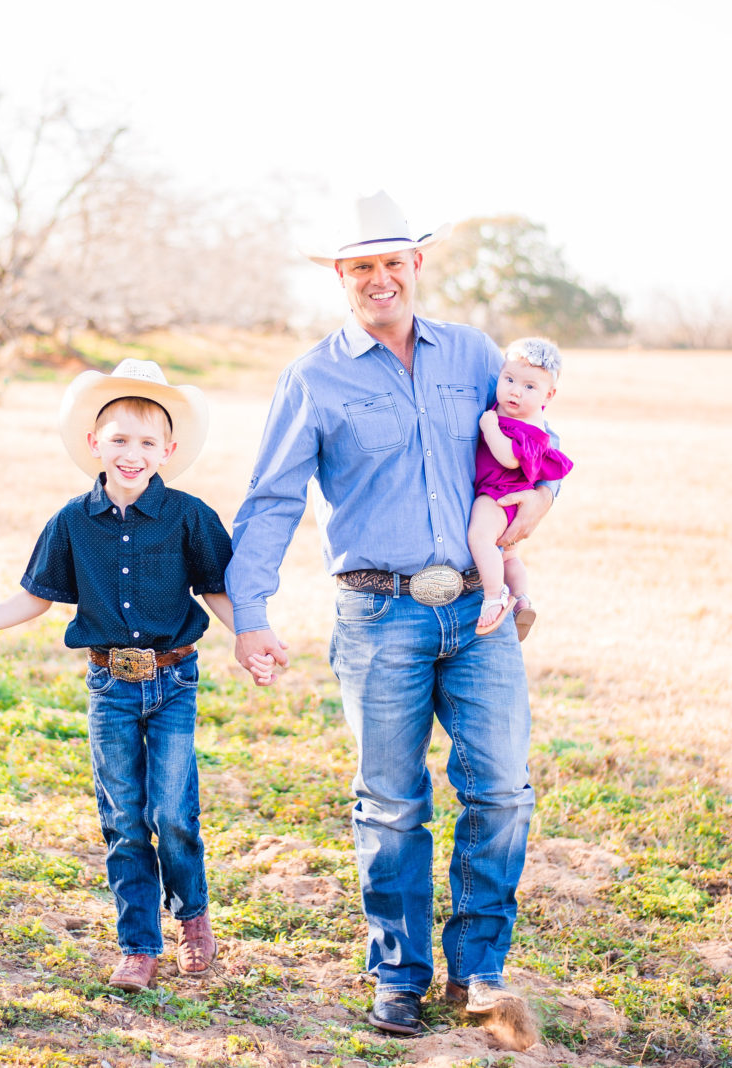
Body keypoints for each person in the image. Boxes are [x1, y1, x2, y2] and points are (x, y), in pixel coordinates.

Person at [226, 191, 558, 1047]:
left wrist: (525, 533)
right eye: (361, 267)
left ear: (417, 266)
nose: (380, 279)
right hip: (378, 613)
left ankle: (478, 969)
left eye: (392, 263)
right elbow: (270, 500)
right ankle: (400, 975)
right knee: (391, 802)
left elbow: (524, 447)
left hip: (476, 613)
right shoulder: (315, 377)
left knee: (504, 790)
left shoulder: (477, 355)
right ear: (340, 278)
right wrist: (249, 613)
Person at [0, 359, 270, 992]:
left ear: (169, 451)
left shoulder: (189, 516)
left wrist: (253, 638)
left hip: (173, 683)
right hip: (110, 687)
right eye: (119, 439)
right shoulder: (72, 521)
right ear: (95, 444)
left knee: (173, 811)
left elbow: (217, 591)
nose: (132, 453)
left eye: (148, 442)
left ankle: (193, 915)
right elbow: (38, 597)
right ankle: (138, 945)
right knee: (123, 816)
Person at [468, 337, 574, 639]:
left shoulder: (528, 426)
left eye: (529, 387)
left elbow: (510, 458)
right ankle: (522, 599)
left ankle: (493, 597)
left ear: (548, 395)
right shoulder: (513, 411)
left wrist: (489, 427)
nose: (515, 391)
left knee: (480, 536)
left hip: (500, 495)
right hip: (510, 495)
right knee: (509, 556)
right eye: (509, 379)